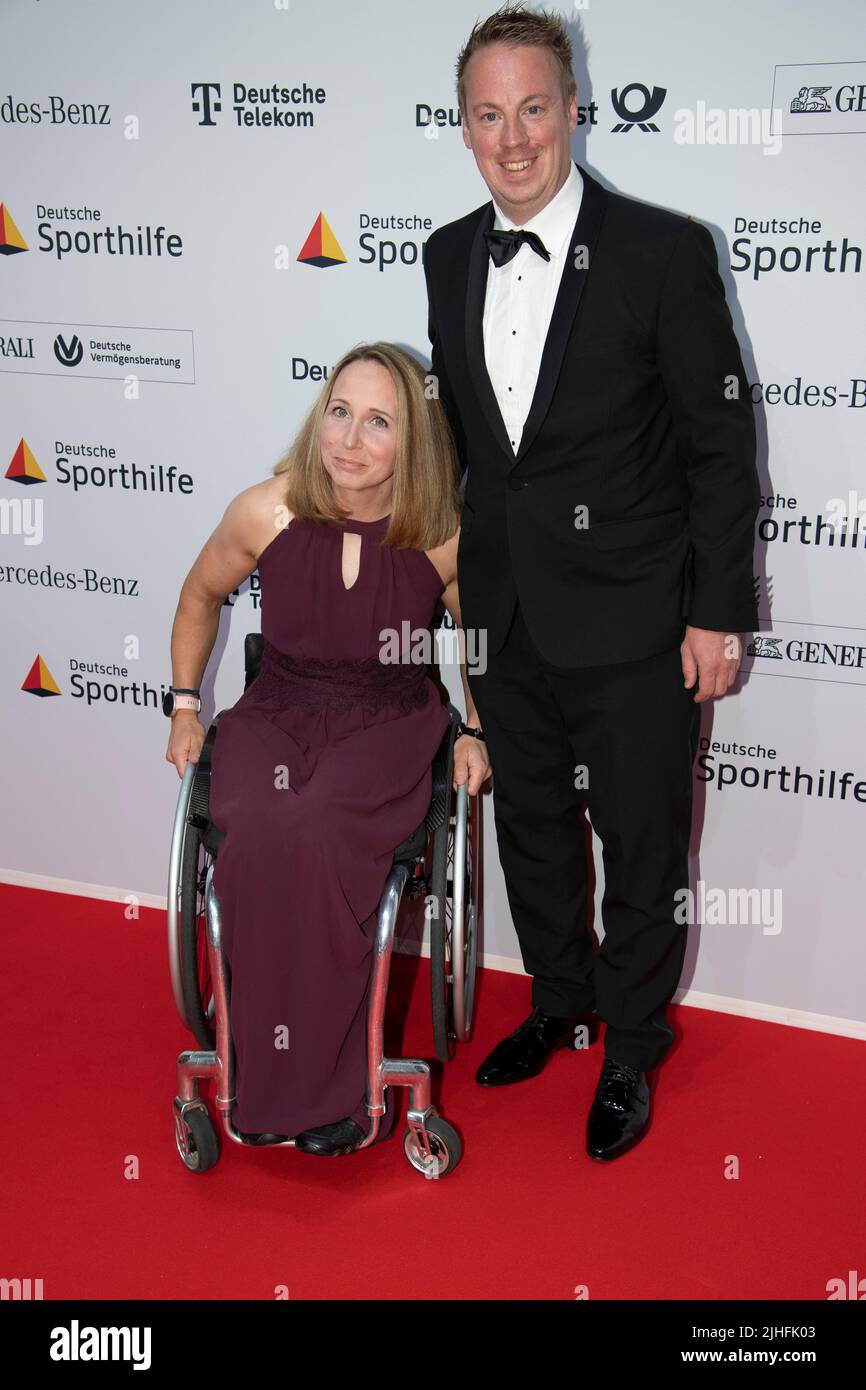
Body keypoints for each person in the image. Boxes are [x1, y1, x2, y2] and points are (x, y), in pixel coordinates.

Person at [422, 4, 760, 1160]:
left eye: (530, 108)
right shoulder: (445, 252)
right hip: (508, 609)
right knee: (531, 827)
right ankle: (556, 1000)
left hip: (633, 612)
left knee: (640, 840)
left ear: (573, 108)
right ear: (460, 124)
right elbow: (472, 446)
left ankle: (627, 1041)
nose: (511, 136)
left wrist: (716, 607)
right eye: (486, 113)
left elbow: (718, 443)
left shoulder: (662, 251)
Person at [164, 343, 490, 1156]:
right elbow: (200, 592)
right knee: (261, 830)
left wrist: (478, 728)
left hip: (387, 719)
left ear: (411, 441)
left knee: (317, 830)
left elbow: (477, 644)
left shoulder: (441, 532)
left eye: (378, 422)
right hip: (277, 709)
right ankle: (263, 1075)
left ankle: (332, 1089)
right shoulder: (266, 510)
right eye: (339, 412)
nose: (348, 438)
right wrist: (182, 705)